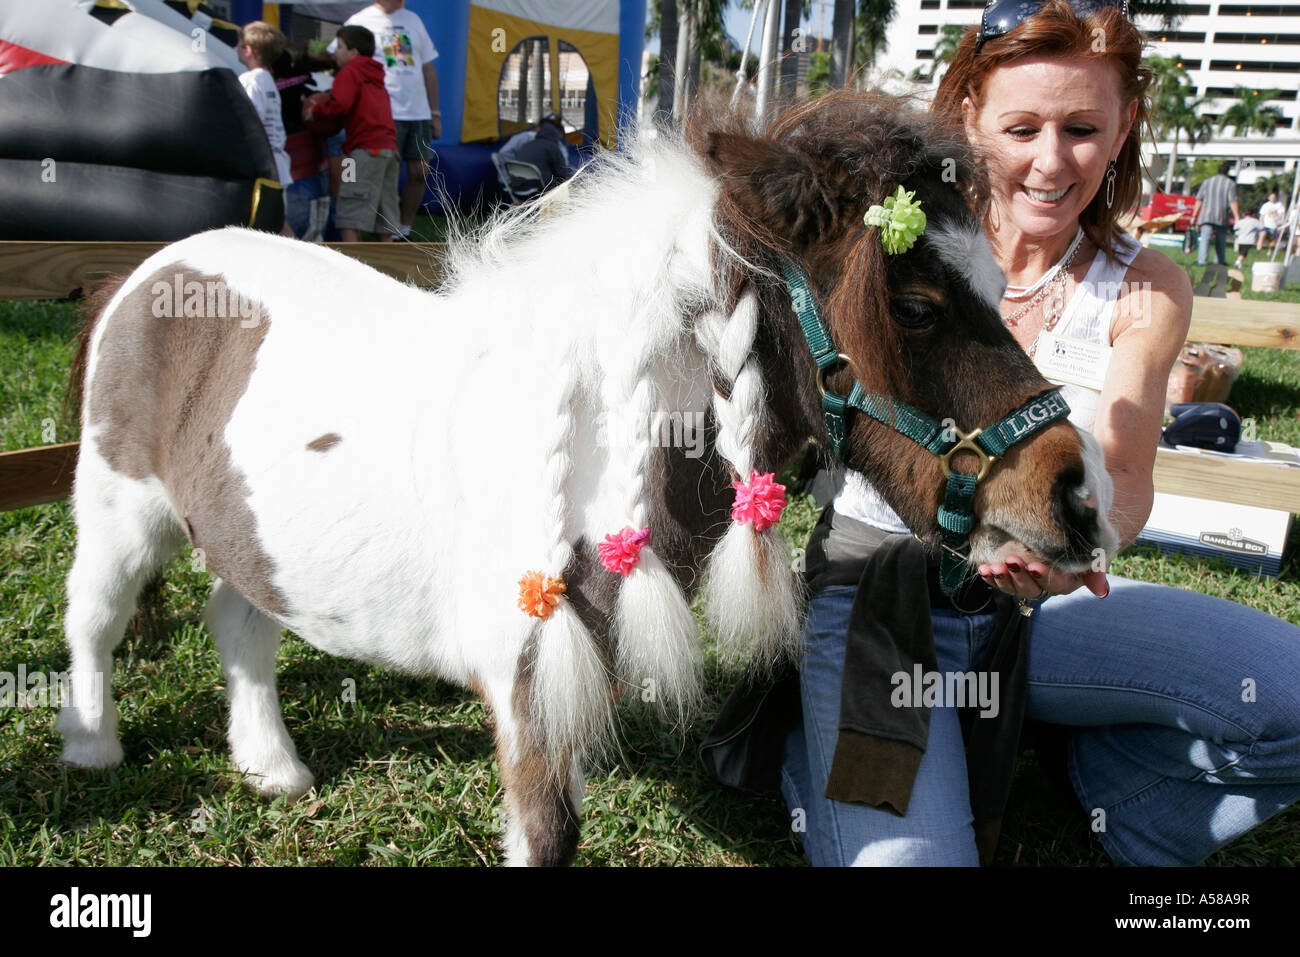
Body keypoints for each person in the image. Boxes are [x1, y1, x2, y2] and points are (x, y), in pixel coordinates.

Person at [775, 0, 1300, 867]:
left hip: (1041, 614)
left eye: (1083, 128)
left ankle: (1117, 800)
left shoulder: (1147, 285)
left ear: (1125, 124)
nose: (1052, 162)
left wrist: (1078, 550)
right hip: (884, 597)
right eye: (1021, 127)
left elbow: (1123, 474)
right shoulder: (895, 241)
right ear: (967, 115)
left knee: (1286, 700)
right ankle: (815, 744)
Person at [337, 0, 440, 240]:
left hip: (418, 111)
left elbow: (428, 69)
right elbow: (340, 59)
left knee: (420, 172)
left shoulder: (413, 20)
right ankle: (367, 229)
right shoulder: (360, 20)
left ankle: (401, 230)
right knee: (381, 173)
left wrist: (435, 113)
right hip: (383, 114)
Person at [304, 26, 399, 243]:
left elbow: (340, 105)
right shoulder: (374, 73)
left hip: (361, 154)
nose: (335, 52)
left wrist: (314, 111)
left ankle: (352, 268)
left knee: (348, 210)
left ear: (353, 52)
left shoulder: (349, 72)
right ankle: (389, 269)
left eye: (339, 47)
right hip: (389, 151)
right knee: (386, 219)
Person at [236, 21, 294, 237]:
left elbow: (250, 120)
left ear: (249, 50)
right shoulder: (268, 79)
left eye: (240, 45)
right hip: (278, 160)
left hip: (263, 163)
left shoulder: (250, 80)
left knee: (266, 226)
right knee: (277, 223)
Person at [503, 114, 573, 195]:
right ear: (556, 136)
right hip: (539, 190)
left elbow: (504, 153)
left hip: (517, 189)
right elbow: (562, 172)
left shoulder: (526, 145)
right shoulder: (553, 147)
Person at [1192, 160, 1240, 267]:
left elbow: (1199, 199)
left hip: (1206, 215)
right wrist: (1237, 217)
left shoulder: (1207, 182)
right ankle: (1219, 261)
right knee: (1221, 239)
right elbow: (1233, 201)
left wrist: (1194, 215)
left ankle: (1202, 261)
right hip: (1221, 216)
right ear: (1227, 172)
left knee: (1205, 238)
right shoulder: (1230, 184)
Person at [1260, 190, 1287, 254]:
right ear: (1269, 198)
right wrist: (1261, 223)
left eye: (1274, 197)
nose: (1272, 198)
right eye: (1271, 197)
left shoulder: (1279, 205)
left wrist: (1277, 218)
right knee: (1264, 237)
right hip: (1266, 225)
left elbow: (1281, 214)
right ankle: (1260, 250)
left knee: (1275, 239)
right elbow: (1262, 215)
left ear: (1276, 198)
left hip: (1276, 225)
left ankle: (1282, 248)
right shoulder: (1265, 205)